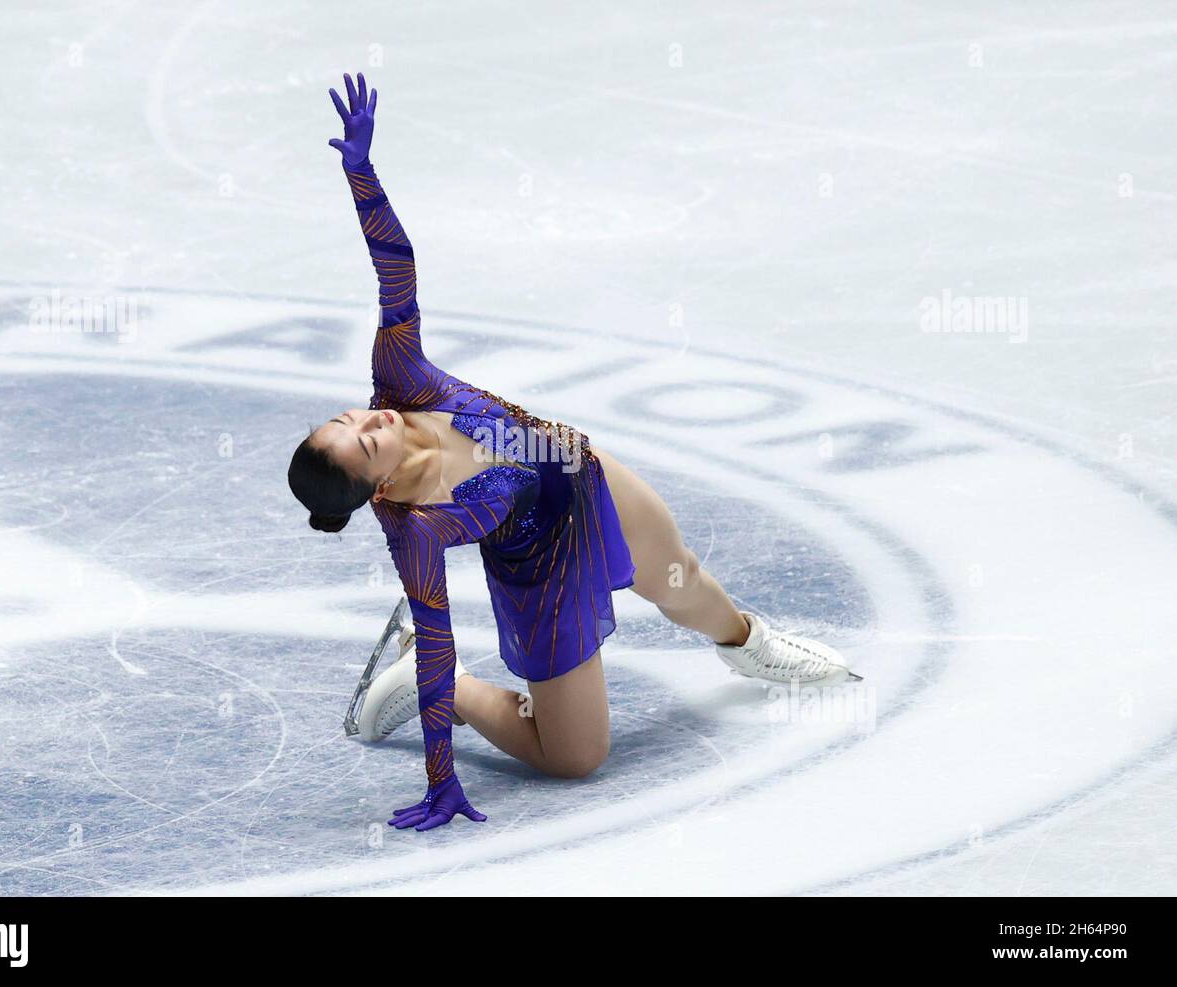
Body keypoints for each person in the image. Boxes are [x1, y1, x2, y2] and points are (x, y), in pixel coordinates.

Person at [288, 73, 857, 832]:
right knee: (575, 757)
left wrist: (361, 176)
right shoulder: (415, 528)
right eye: (364, 440)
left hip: (581, 476)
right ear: (378, 485)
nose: (372, 417)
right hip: (540, 573)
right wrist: (439, 777)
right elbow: (435, 635)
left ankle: (751, 645)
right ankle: (460, 693)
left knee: (681, 580)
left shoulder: (400, 378)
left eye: (349, 415)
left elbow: (397, 270)